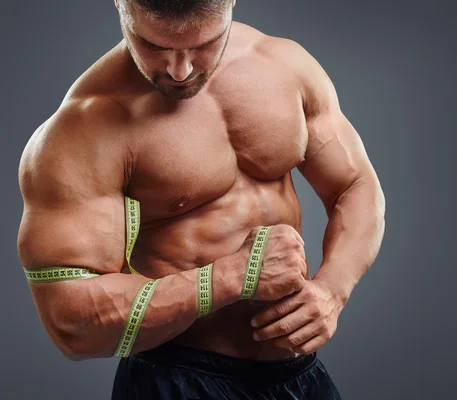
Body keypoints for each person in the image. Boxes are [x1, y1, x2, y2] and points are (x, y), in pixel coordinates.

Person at [17, 0, 385, 398]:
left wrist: (332, 290)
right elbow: (71, 322)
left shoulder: (285, 67)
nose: (181, 71)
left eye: (205, 44)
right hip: (177, 378)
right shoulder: (82, 129)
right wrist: (228, 278)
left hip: (299, 375)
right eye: (153, 46)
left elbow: (355, 185)